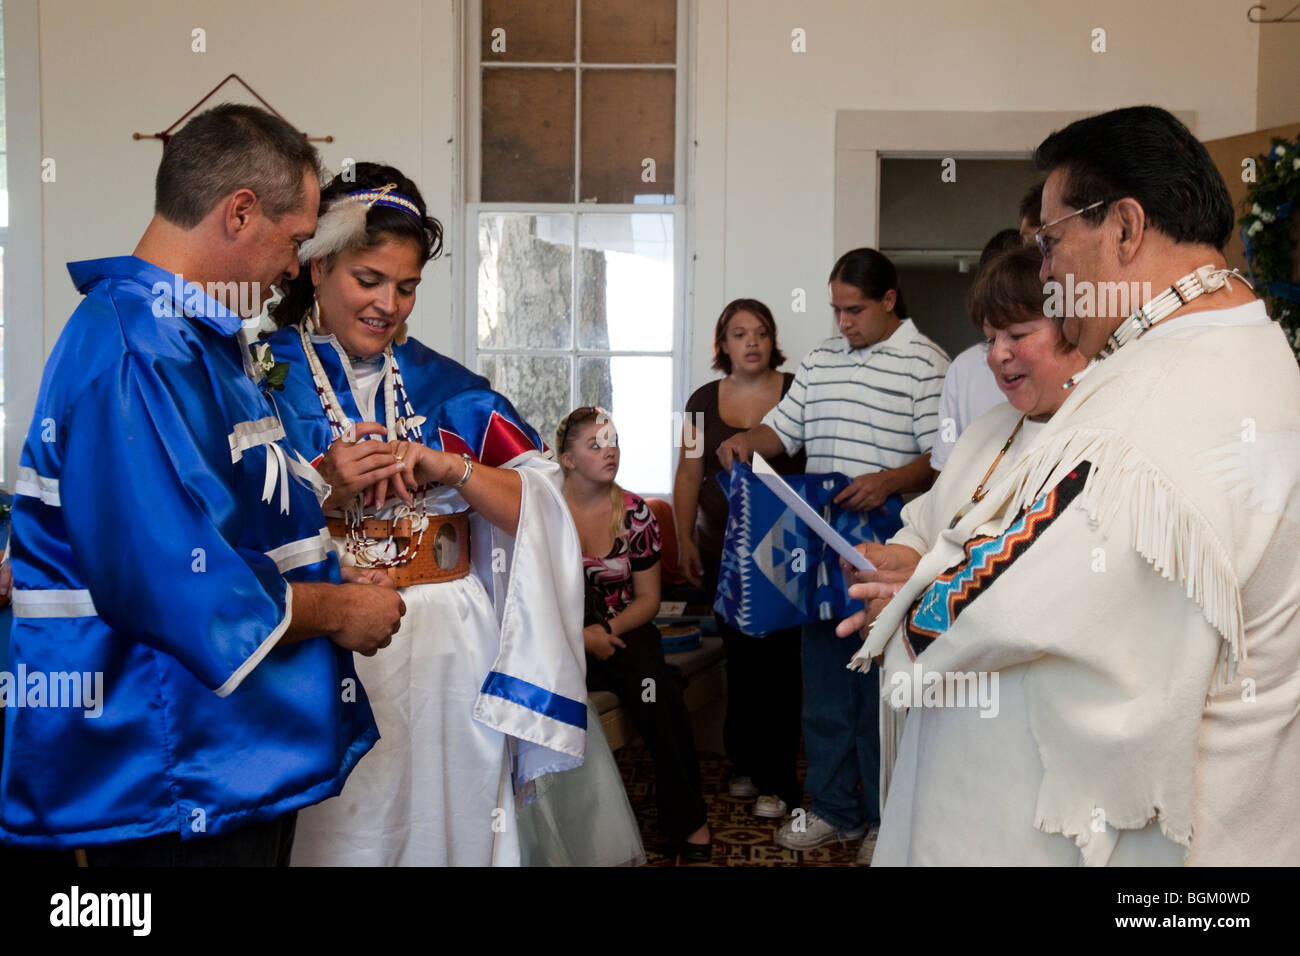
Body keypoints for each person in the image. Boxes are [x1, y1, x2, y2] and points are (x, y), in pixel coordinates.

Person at [847, 105, 1300, 866]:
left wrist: (908, 603)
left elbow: (1002, 604)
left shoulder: (1158, 398)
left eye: (1051, 242)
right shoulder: (1246, 352)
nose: (1048, 271)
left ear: (1124, 227)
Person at [0, 105, 404, 865]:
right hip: (168, 762)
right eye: (293, 242)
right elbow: (173, 579)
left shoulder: (196, 340)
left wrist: (319, 559)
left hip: (226, 757)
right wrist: (339, 607)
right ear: (239, 212)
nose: (294, 269)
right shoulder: (135, 349)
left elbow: (233, 517)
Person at [263, 163, 592, 866]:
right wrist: (324, 488)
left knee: (452, 830)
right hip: (327, 650)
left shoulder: (452, 390)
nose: (389, 304)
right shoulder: (256, 379)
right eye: (369, 279)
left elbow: (545, 514)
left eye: (406, 286)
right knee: (340, 834)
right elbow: (220, 524)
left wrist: (455, 468)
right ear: (316, 268)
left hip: (451, 657)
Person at [717, 249, 948, 863]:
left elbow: (943, 458)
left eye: (855, 310)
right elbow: (782, 431)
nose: (843, 322)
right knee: (822, 686)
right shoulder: (820, 360)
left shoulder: (928, 366)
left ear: (889, 301)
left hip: (891, 548)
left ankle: (881, 818)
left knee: (878, 691)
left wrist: (889, 481)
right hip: (819, 547)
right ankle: (831, 808)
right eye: (836, 310)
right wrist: (747, 441)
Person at [558, 407, 712, 863]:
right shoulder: (544, 509)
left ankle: (690, 822)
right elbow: (527, 595)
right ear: (566, 459)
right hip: (558, 634)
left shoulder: (636, 513)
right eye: (596, 445)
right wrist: (578, 638)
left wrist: (604, 631)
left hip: (624, 632)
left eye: (614, 442)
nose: (611, 452)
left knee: (659, 690)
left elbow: (648, 599)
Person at [673, 299, 805, 818]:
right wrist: (682, 538)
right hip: (720, 552)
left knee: (780, 664)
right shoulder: (699, 400)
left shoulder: (799, 391)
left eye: (761, 332)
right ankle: (745, 764)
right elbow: (687, 473)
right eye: (739, 333)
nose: (751, 342)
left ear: (773, 341)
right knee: (741, 660)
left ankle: (779, 778)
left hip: (785, 554)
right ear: (722, 344)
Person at [929, 228, 1023, 472]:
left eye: (1018, 334)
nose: (1000, 354)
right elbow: (945, 459)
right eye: (992, 338)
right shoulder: (963, 368)